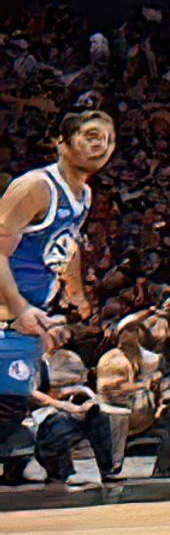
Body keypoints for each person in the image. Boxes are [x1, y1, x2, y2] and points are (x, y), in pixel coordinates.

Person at [0, 110, 113, 470]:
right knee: (8, 408)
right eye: (91, 135)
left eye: (107, 139)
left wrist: (75, 293)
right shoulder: (35, 187)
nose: (100, 145)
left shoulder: (84, 195)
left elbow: (68, 244)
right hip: (9, 312)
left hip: (27, 313)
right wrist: (19, 307)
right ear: (61, 143)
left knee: (12, 408)